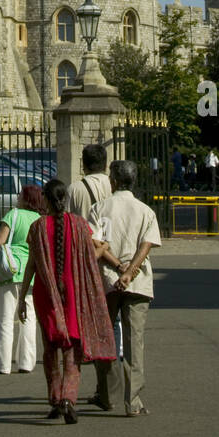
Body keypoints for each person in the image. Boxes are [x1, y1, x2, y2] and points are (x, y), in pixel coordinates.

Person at [17, 178, 116, 424]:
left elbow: (31, 265)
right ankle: (68, 399)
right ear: (66, 199)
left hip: (45, 294)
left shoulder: (38, 227)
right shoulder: (81, 225)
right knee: (73, 349)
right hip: (74, 293)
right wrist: (104, 253)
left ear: (46, 200)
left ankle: (54, 399)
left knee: (50, 348)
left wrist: (21, 299)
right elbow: (90, 257)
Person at [89, 159, 162, 417]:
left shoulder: (100, 208)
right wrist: (130, 272)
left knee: (105, 339)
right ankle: (133, 401)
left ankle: (107, 395)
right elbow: (147, 244)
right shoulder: (145, 211)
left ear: (115, 181)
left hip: (107, 280)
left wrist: (119, 267)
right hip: (138, 281)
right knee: (135, 342)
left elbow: (96, 242)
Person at [0, 184, 43, 375]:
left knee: (5, 319)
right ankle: (26, 362)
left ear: (25, 198)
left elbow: (0, 241)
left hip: (10, 271)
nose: (17, 197)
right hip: (32, 272)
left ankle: (2, 364)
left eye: (20, 195)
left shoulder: (13, 215)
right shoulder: (39, 219)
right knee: (28, 318)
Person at [66, 143, 112, 219]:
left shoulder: (74, 189)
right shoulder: (114, 185)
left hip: (85, 230)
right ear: (105, 164)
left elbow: (66, 220)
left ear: (84, 165)